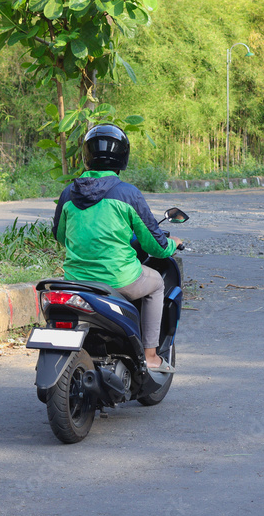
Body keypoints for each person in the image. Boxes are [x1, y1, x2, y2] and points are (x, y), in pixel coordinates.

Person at [51, 124, 181, 373]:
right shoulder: (127, 194)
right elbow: (157, 246)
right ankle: (151, 355)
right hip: (118, 279)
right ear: (123, 156)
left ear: (86, 155)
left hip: (75, 281)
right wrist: (174, 242)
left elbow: (60, 236)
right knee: (156, 284)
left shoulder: (69, 193)